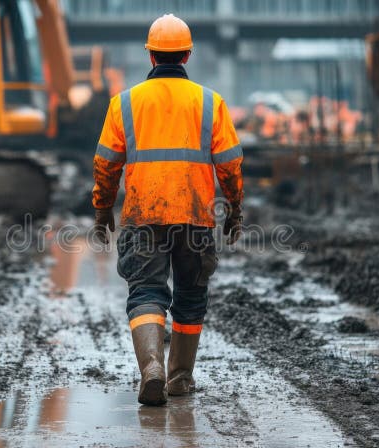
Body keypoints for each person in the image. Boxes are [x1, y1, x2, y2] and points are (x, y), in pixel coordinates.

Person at [90, 14, 244, 406]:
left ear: (151, 56)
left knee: (146, 291)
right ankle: (179, 378)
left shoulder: (125, 103)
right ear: (187, 55)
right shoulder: (210, 102)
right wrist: (234, 209)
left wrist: (102, 210)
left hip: (143, 214)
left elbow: (105, 165)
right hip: (195, 215)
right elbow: (230, 165)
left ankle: (151, 369)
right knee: (191, 295)